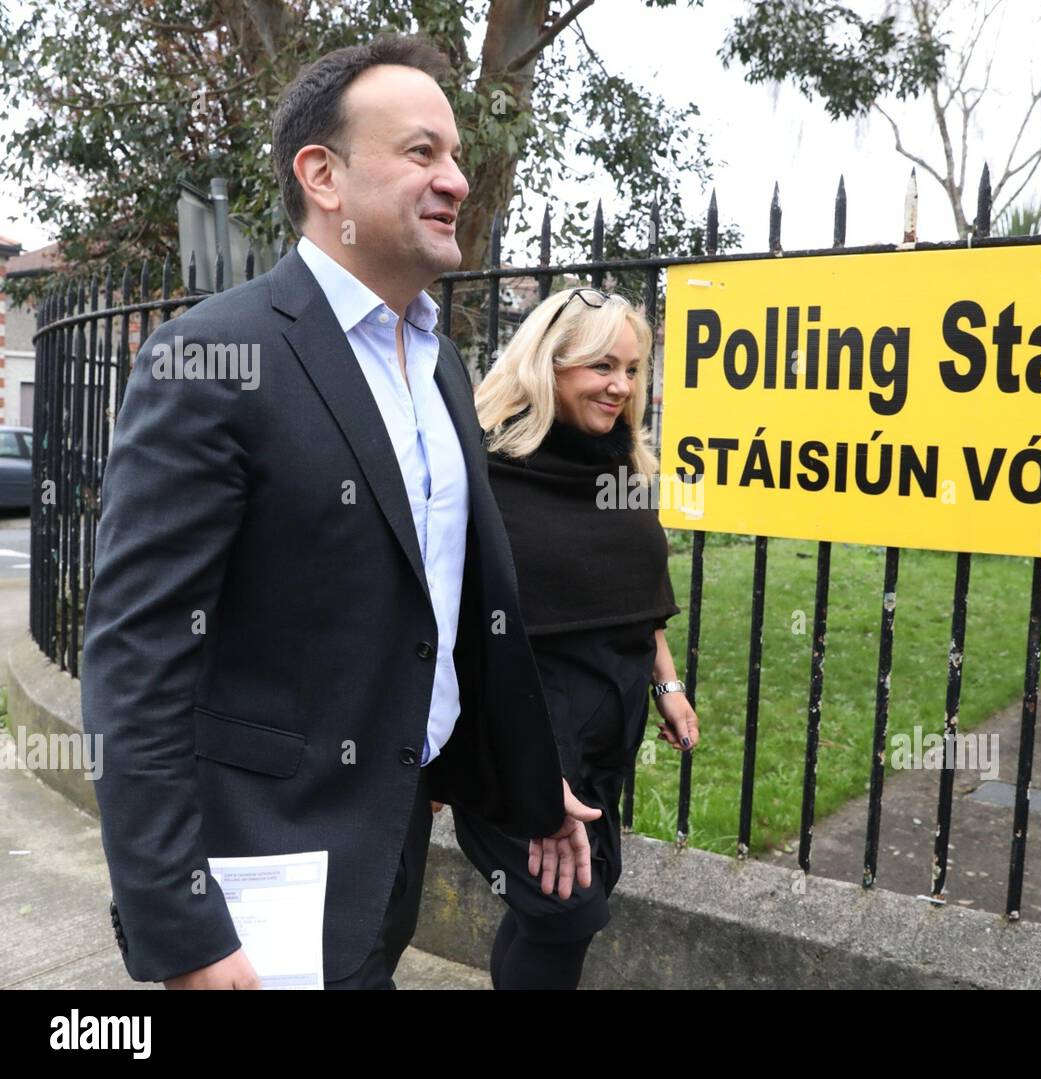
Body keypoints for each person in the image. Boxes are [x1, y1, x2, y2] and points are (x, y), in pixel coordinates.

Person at [79, 34, 599, 990]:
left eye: (456, 156)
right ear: (321, 174)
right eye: (421, 154)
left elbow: (446, 613)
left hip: (391, 845)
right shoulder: (214, 360)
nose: (455, 180)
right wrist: (183, 926)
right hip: (260, 880)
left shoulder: (438, 362)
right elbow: (134, 660)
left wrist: (530, 785)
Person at [451, 285, 702, 989]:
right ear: (547, 364)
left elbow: (634, 590)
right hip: (519, 723)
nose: (621, 385)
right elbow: (459, 625)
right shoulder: (484, 469)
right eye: (601, 367)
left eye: (631, 368)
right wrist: (527, 763)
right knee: (565, 912)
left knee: (552, 913)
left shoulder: (618, 462)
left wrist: (667, 682)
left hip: (603, 727)